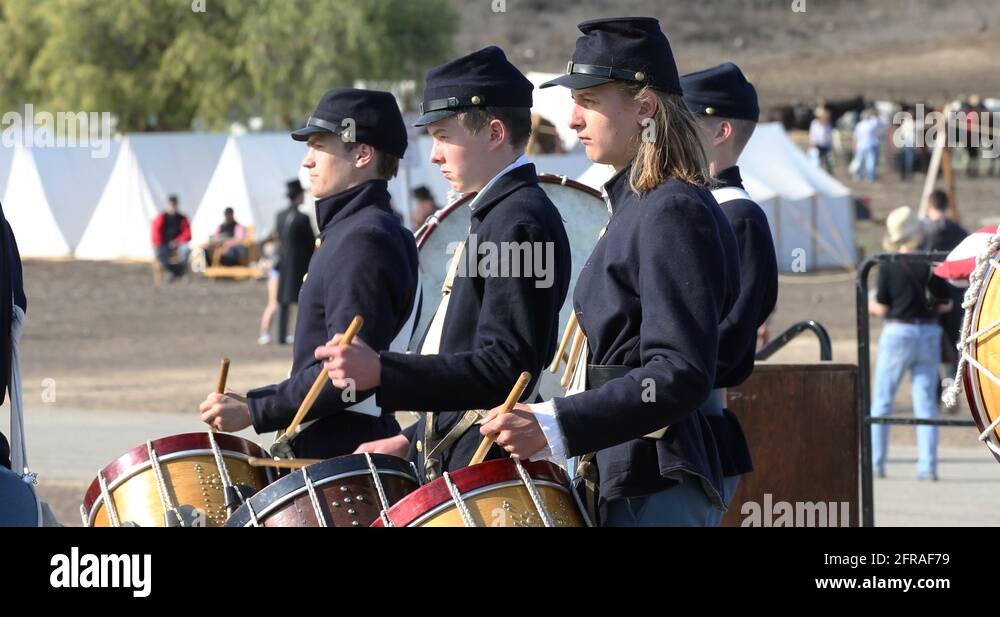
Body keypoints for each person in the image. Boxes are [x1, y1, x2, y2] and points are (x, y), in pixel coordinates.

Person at [474, 17, 742, 526]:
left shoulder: (671, 209)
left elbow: (678, 372)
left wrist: (558, 422)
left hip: (655, 481)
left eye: (589, 101)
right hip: (628, 472)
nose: (573, 120)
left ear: (644, 107)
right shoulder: (641, 205)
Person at [314, 46, 572, 482]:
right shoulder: (500, 213)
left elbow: (505, 369)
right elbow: (473, 367)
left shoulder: (518, 219)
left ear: (493, 133)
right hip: (463, 458)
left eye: (443, 135)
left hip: (485, 471)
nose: (434, 155)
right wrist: (413, 438)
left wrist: (382, 370)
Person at [198, 88, 420, 459]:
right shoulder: (360, 230)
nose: (307, 161)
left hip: (342, 448)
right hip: (340, 437)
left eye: (319, 146)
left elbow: (347, 375)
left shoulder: (363, 238)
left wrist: (256, 408)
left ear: (363, 154)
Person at [682, 61, 779, 509]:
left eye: (682, 123)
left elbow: (731, 343)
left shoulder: (739, 217)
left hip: (692, 426)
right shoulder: (682, 206)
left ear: (720, 132)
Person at [869, 206, 952, 481]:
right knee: (925, 403)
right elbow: (944, 305)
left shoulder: (888, 263)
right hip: (928, 333)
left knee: (882, 401)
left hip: (898, 332)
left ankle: (876, 462)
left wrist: (871, 305)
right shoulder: (931, 264)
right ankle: (928, 466)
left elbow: (882, 305)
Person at [920, 189, 969, 408]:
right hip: (957, 297)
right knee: (953, 349)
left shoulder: (923, 233)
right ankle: (950, 393)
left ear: (930, 205)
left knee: (930, 350)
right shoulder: (959, 231)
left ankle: (935, 394)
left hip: (932, 298)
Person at [258, 179, 314, 345]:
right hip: (299, 264)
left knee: (281, 301)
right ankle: (301, 335)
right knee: (302, 300)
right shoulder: (303, 218)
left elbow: (272, 239)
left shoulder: (280, 216)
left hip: (282, 263)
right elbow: (310, 243)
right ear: (298, 196)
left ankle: (280, 335)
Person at [151, 194, 192, 281]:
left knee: (185, 250)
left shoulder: (182, 218)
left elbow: (187, 234)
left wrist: (177, 241)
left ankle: (176, 272)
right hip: (164, 243)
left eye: (174, 204)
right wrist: (158, 243)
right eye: (170, 204)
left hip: (179, 243)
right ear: (166, 205)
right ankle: (179, 272)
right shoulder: (161, 217)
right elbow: (156, 232)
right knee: (160, 255)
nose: (172, 206)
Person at [809, 107, 835, 174]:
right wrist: (812, 143)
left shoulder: (828, 125)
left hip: (825, 146)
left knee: (828, 162)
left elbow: (830, 136)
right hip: (816, 145)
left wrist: (830, 144)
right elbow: (812, 134)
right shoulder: (814, 123)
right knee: (816, 162)